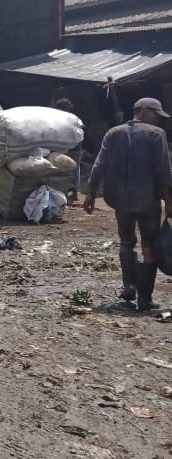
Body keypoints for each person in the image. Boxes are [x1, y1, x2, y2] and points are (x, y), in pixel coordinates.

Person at [84, 97, 172, 311]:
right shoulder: (156, 134)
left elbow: (99, 164)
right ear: (142, 111)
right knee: (148, 244)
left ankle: (129, 286)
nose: (158, 121)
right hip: (147, 199)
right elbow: (164, 171)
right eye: (156, 115)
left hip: (119, 199)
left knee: (126, 241)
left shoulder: (113, 133)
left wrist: (90, 193)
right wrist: (169, 201)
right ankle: (145, 299)